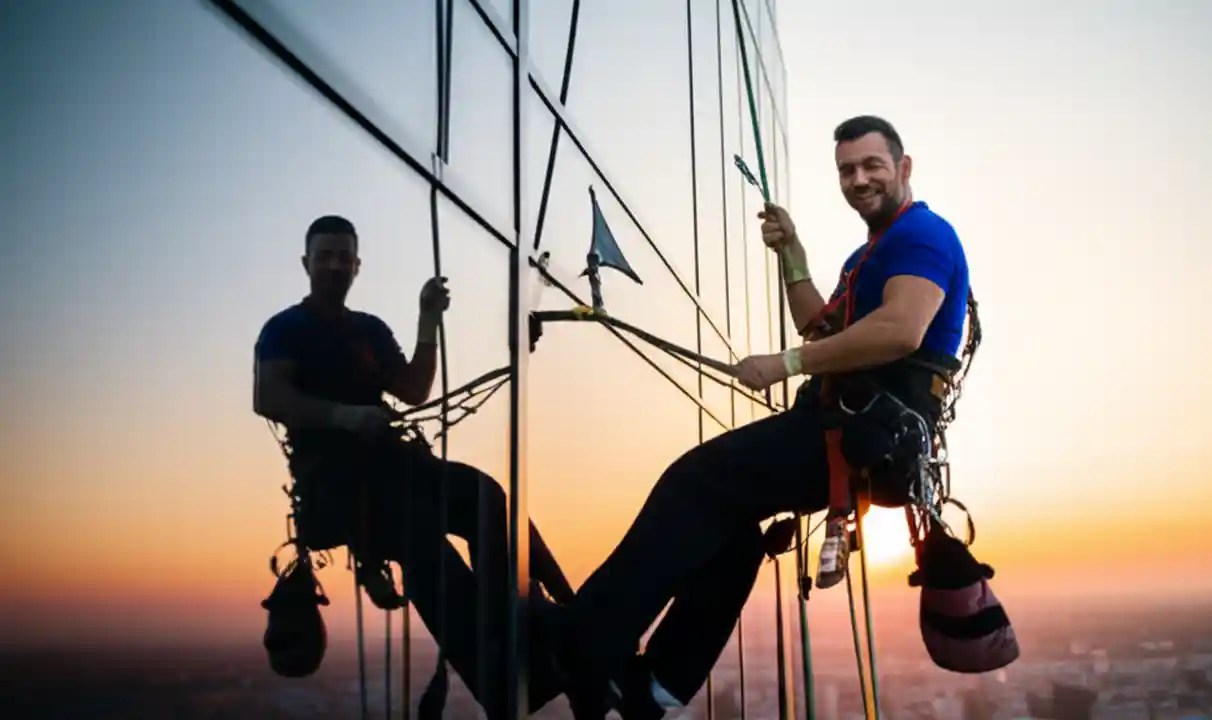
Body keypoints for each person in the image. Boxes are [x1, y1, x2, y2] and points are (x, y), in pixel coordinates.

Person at [555, 115, 972, 718]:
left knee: (696, 480)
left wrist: (786, 364)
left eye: (872, 165)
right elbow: (821, 328)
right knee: (729, 527)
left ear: (903, 168)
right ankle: (656, 688)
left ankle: (582, 645)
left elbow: (900, 330)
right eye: (847, 170)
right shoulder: (872, 253)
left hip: (858, 427)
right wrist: (792, 254)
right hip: (855, 429)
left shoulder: (923, 234)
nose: (858, 180)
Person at [252, 214, 575, 716]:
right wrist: (343, 416)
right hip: (336, 488)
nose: (334, 265)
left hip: (391, 466)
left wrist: (427, 320)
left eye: (343, 257)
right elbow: (268, 397)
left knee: (486, 497)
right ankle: (497, 680)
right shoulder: (286, 329)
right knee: (422, 540)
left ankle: (521, 627)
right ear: (306, 263)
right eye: (325, 256)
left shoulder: (369, 330)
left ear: (357, 266)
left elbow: (412, 389)